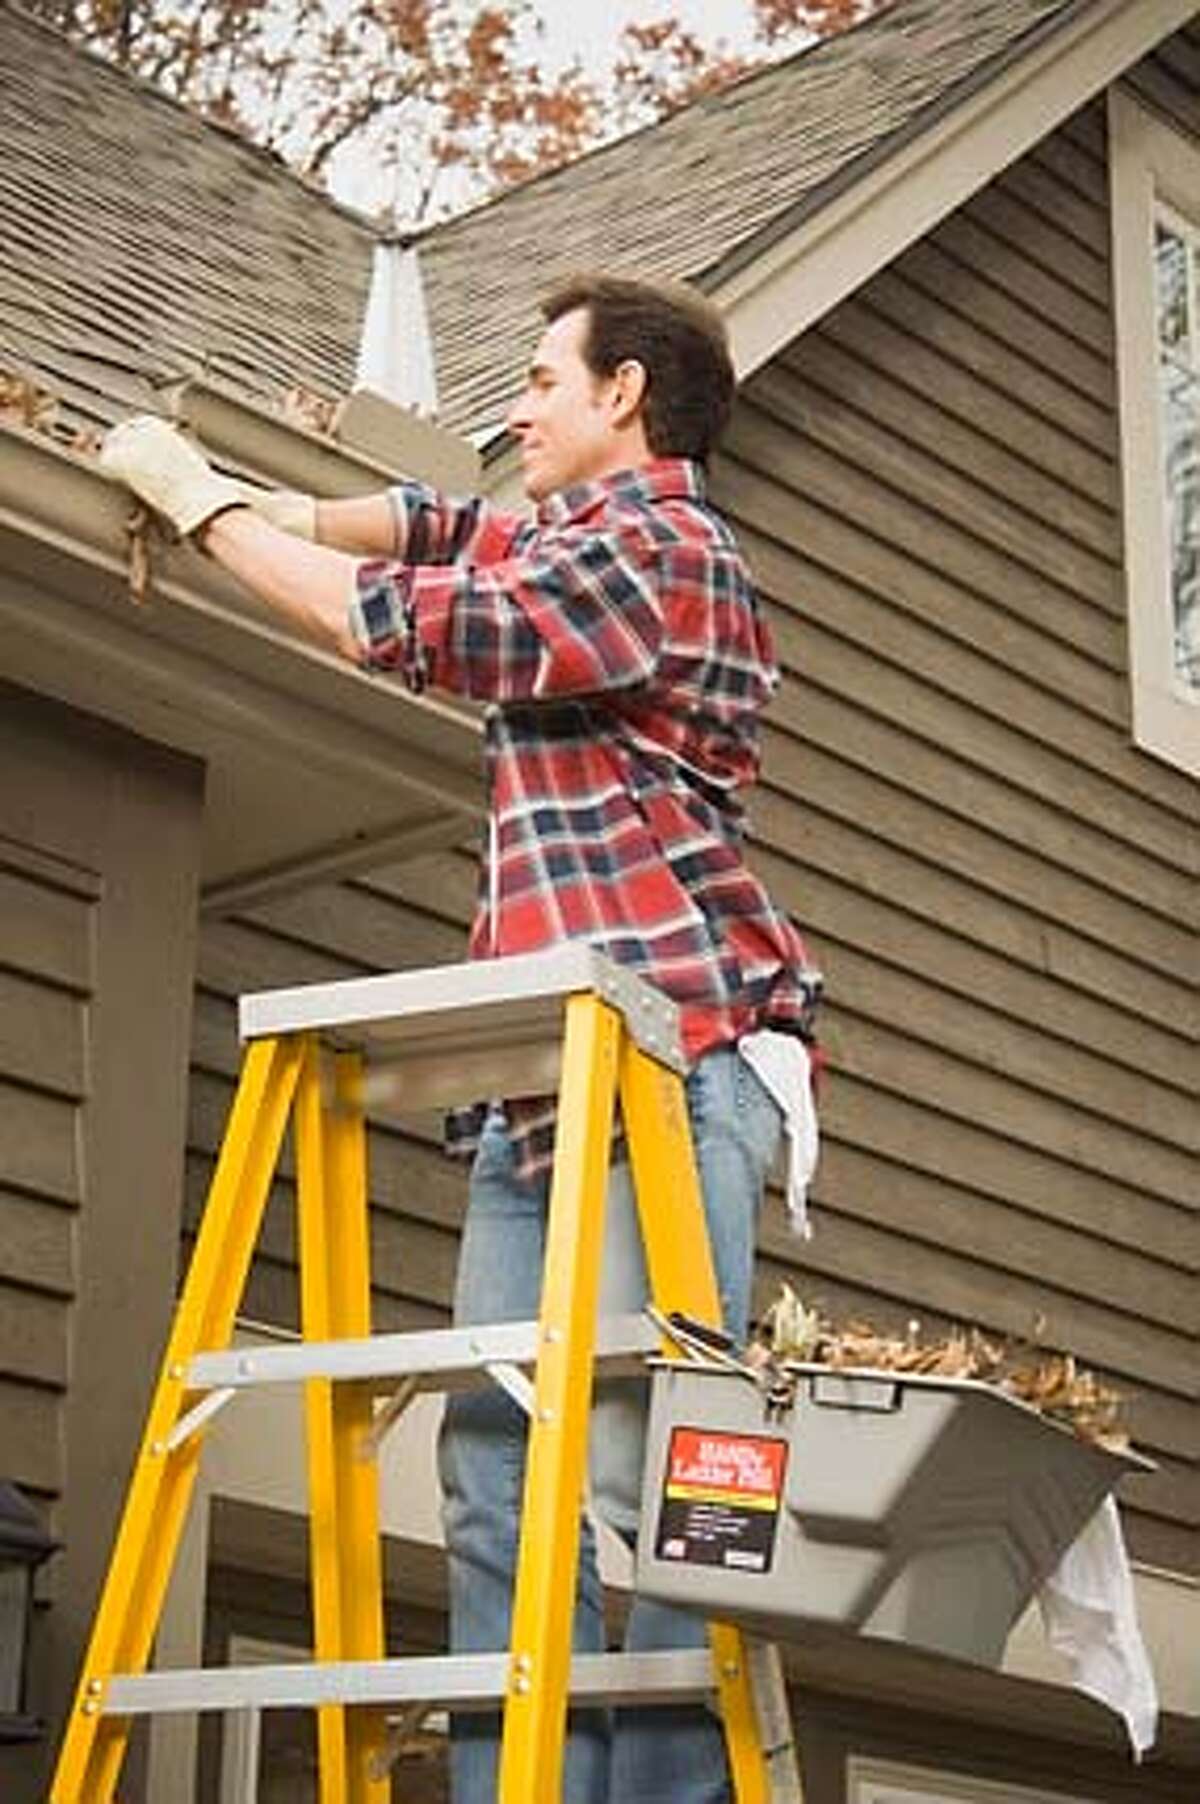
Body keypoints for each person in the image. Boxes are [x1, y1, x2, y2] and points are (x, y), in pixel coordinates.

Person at [100, 273, 821, 1804]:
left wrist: (208, 519)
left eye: (543, 379)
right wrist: (254, 489)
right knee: (497, 1466)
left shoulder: (668, 548)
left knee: (664, 1474)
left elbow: (410, 621)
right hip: (544, 1078)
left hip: (672, 1052)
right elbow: (433, 526)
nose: (518, 406)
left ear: (625, 394)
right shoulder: (577, 534)